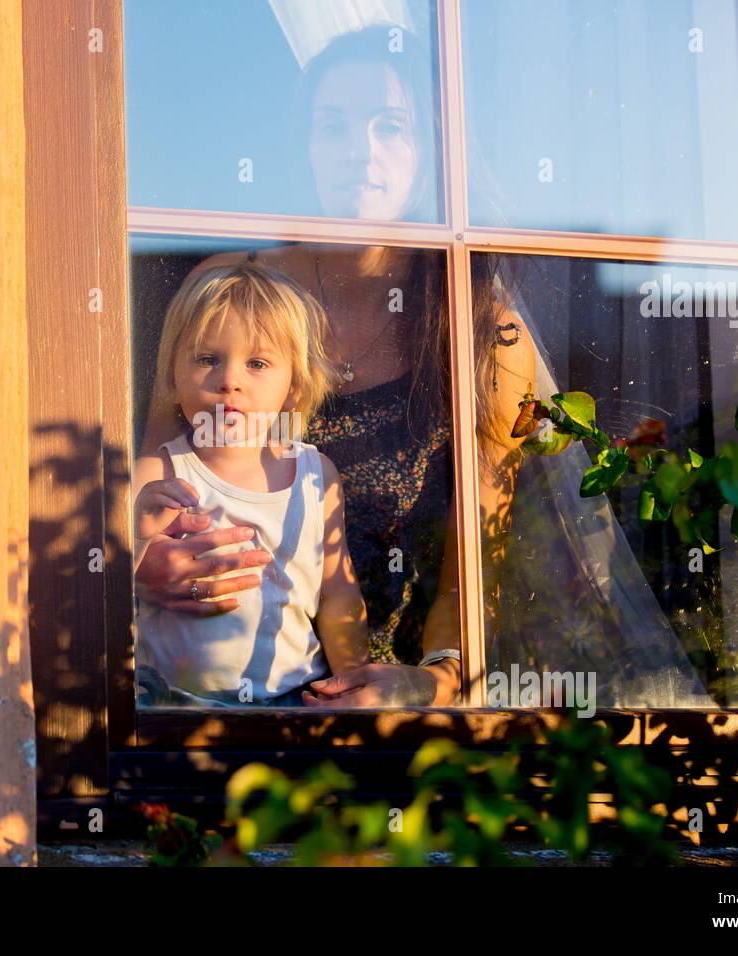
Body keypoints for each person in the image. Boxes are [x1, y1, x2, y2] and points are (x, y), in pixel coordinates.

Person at [135, 23, 537, 707]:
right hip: (212, 704)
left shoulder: (480, 326)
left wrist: (433, 681)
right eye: (332, 128)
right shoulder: (233, 295)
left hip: (393, 717)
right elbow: (149, 479)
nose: (359, 153)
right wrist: (142, 563)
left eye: (391, 128)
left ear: (433, 152)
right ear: (305, 149)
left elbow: (477, 563)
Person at [132, 262, 371, 706]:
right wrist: (138, 538)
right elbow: (105, 583)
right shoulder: (157, 473)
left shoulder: (317, 474)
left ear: (295, 386)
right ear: (171, 376)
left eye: (257, 363)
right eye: (207, 359)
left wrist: (353, 685)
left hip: (293, 698)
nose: (230, 381)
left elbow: (337, 593)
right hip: (174, 705)